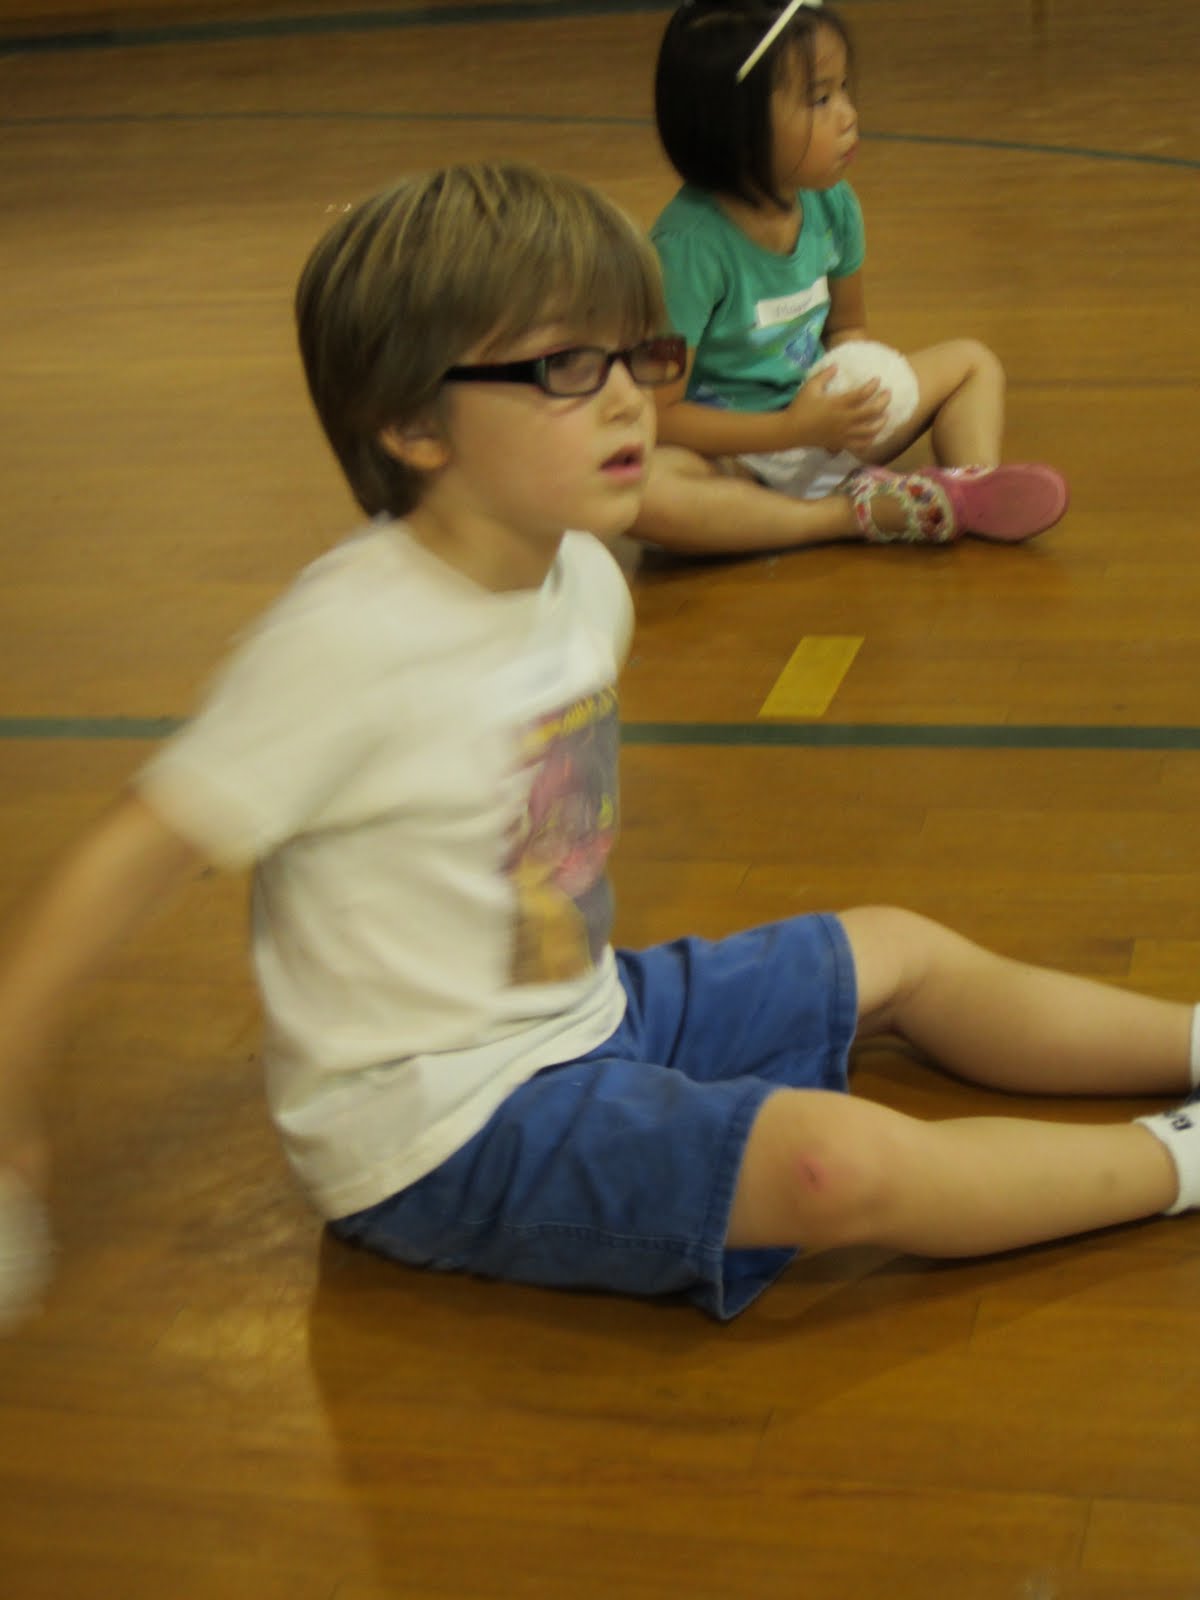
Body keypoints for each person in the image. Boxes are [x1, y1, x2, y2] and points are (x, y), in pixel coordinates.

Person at [0, 161, 1197, 1330]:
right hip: (443, 1131)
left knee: (900, 950)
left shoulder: (580, 576)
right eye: (569, 366)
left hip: (590, 1008)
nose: (629, 396)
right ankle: (1173, 1161)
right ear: (415, 422)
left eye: (641, 353)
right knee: (834, 1166)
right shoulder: (342, 642)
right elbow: (131, 850)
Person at [635, 0, 1070, 554]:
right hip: (736, 458)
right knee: (647, 492)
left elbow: (847, 326)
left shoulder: (832, 206)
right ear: (735, 124)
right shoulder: (688, 248)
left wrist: (857, 393)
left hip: (829, 431)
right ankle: (848, 515)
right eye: (820, 98)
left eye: (843, 90)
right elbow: (659, 415)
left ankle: (967, 488)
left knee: (973, 364)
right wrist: (791, 431)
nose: (848, 114)